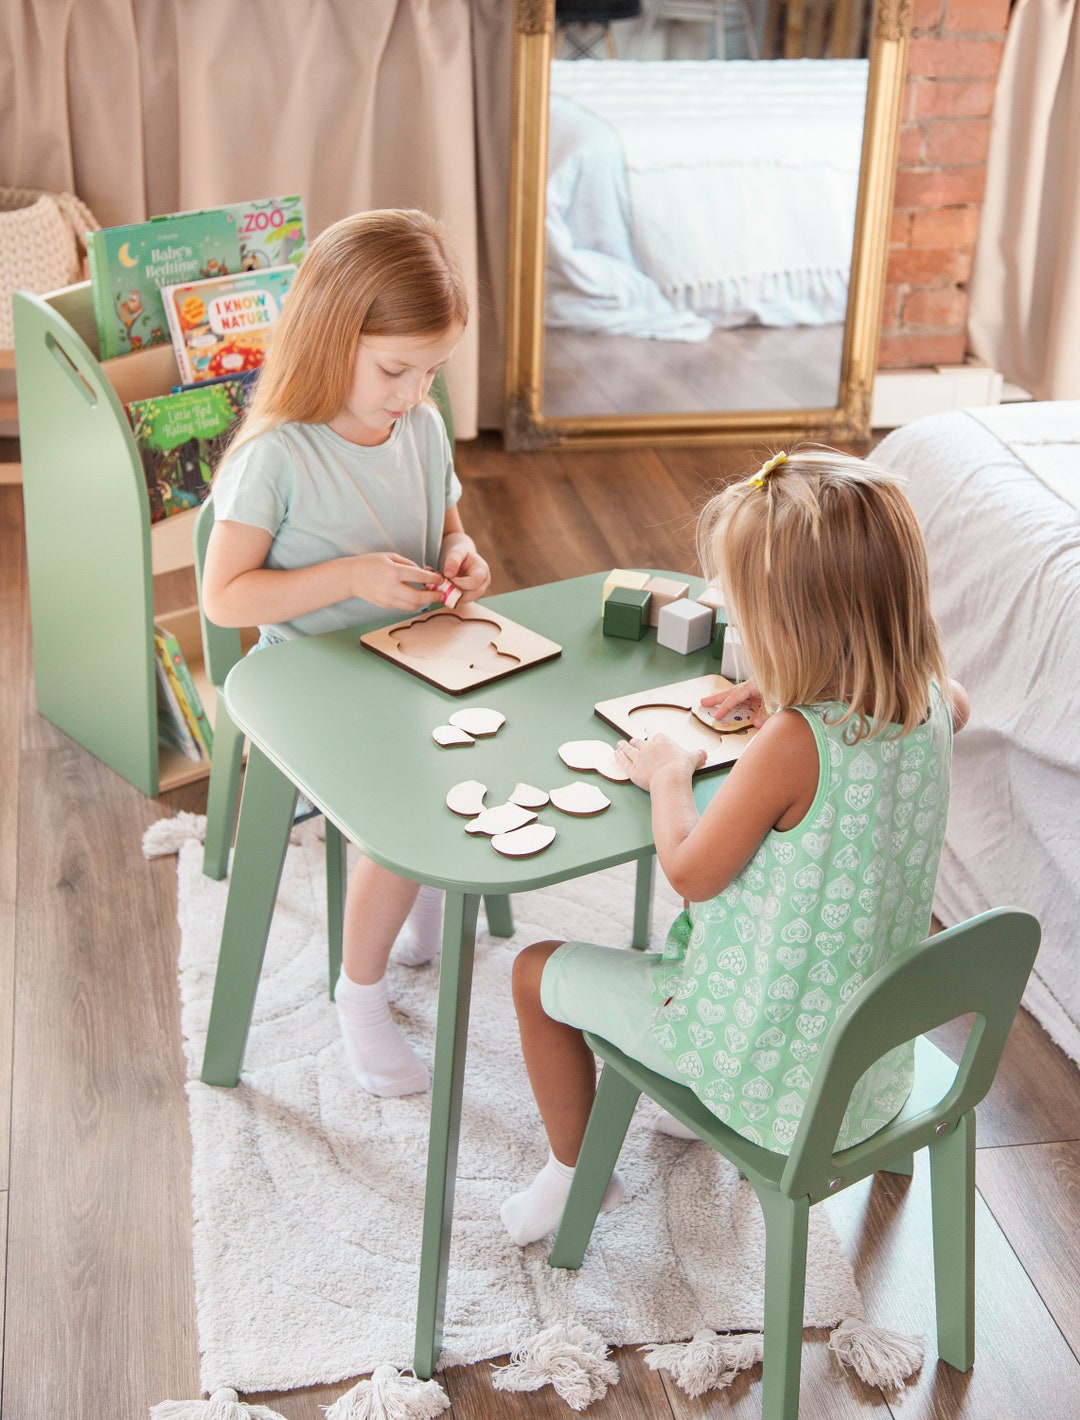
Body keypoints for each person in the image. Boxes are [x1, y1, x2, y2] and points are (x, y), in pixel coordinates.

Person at [501, 447, 970, 1246]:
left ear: (793, 625)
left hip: (769, 1070)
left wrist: (669, 775)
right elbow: (951, 705)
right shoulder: (931, 695)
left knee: (532, 972)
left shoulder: (792, 743)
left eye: (746, 616)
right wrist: (788, 687)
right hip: (871, 1060)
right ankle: (674, 1113)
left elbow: (689, 870)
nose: (737, 628)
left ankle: (577, 1170)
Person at [201, 208, 491, 1099]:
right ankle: (358, 993)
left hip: (409, 654)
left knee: (501, 734)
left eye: (432, 370)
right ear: (334, 335)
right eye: (396, 369)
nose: (413, 392)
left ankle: (422, 885)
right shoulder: (276, 458)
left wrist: (459, 553)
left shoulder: (424, 427)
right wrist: (348, 578)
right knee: (408, 801)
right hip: (308, 679)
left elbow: (443, 523)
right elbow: (224, 598)